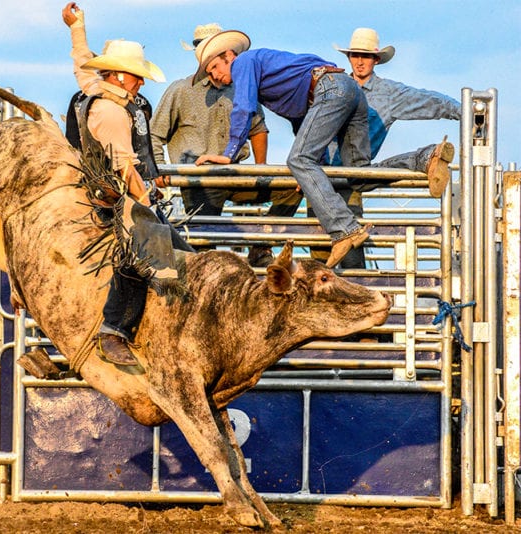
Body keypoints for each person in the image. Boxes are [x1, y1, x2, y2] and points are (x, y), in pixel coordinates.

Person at [63, 2, 193, 367]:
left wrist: (77, 28)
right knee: (144, 253)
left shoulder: (95, 91)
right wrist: (147, 198)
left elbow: (80, 64)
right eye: (135, 77)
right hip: (114, 200)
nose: (139, 83)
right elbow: (124, 169)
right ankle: (114, 329)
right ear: (119, 76)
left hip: (98, 195)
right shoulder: (113, 113)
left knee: (170, 252)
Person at [193, 30, 371, 268]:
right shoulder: (271, 73)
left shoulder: (243, 63)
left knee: (297, 160)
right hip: (348, 89)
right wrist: (310, 171)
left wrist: (229, 154)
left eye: (215, 66)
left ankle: (346, 230)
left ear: (229, 55)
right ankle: (422, 160)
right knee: (358, 175)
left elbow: (244, 108)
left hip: (329, 87)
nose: (214, 75)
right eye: (210, 72)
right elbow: (304, 122)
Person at [149, 23, 301, 267]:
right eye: (201, 49)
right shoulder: (180, 90)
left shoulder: (243, 87)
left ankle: (261, 246)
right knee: (204, 245)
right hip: (198, 179)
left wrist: (260, 169)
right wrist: (160, 170)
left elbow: (258, 128)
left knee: (292, 187)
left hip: (234, 172)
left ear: (227, 54)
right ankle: (205, 276)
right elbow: (155, 134)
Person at [315, 28, 459, 267]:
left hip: (353, 177)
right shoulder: (333, 86)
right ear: (348, 58)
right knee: (319, 252)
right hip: (322, 175)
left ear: (376, 59)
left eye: (366, 56)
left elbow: (427, 99)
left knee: (349, 253)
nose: (360, 61)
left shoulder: (388, 94)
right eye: (354, 55)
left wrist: (463, 111)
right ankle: (425, 157)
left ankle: (358, 296)